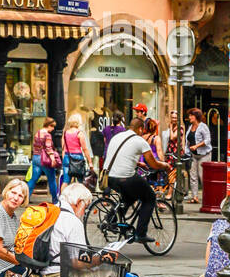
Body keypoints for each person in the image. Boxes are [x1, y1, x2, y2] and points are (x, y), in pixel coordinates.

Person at [102, 116, 168, 246]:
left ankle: (111, 220)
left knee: (129, 197)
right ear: (140, 129)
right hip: (125, 178)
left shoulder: (117, 136)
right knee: (149, 198)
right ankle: (140, 233)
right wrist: (165, 165)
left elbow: (119, 156)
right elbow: (153, 164)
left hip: (108, 177)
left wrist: (137, 163)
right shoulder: (139, 140)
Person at [47, 180, 93, 265]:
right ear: (79, 202)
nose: (84, 213)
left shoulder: (49, 211)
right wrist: (100, 259)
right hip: (56, 273)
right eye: (85, 207)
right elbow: (81, 261)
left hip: (36, 272)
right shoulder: (73, 222)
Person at [28, 116, 60, 201]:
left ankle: (25, 198)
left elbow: (35, 146)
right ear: (49, 125)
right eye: (52, 126)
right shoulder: (47, 135)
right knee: (52, 179)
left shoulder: (37, 133)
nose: (53, 129)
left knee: (33, 179)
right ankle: (55, 199)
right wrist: (53, 159)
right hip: (44, 159)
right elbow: (48, 148)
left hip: (35, 158)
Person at [185, 107, 212, 204]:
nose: (189, 117)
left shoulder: (203, 126)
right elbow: (187, 141)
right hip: (193, 156)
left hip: (204, 155)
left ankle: (207, 197)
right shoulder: (190, 127)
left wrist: (197, 146)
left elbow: (208, 140)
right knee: (193, 176)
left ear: (196, 116)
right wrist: (186, 152)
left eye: (191, 115)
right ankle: (195, 197)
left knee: (202, 176)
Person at [60, 112, 92, 191]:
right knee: (81, 181)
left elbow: (63, 148)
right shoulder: (79, 133)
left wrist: (64, 159)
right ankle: (81, 198)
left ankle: (62, 199)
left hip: (67, 157)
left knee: (66, 181)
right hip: (78, 158)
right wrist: (90, 161)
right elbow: (85, 149)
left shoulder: (65, 133)